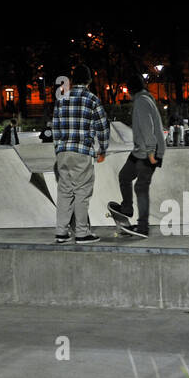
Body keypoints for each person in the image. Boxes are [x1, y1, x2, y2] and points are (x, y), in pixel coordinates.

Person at [52, 63, 109, 243]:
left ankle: (61, 232)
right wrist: (103, 149)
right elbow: (102, 127)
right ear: (89, 81)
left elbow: (55, 127)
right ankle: (82, 233)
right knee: (82, 192)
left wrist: (58, 149)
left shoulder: (61, 98)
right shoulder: (92, 99)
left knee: (64, 192)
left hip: (63, 151)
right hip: (82, 151)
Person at [108, 73, 165, 237]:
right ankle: (127, 208)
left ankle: (143, 227)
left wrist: (151, 153)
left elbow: (148, 129)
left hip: (148, 152)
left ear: (130, 90)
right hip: (139, 151)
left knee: (140, 187)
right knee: (124, 176)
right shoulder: (145, 99)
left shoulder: (142, 102)